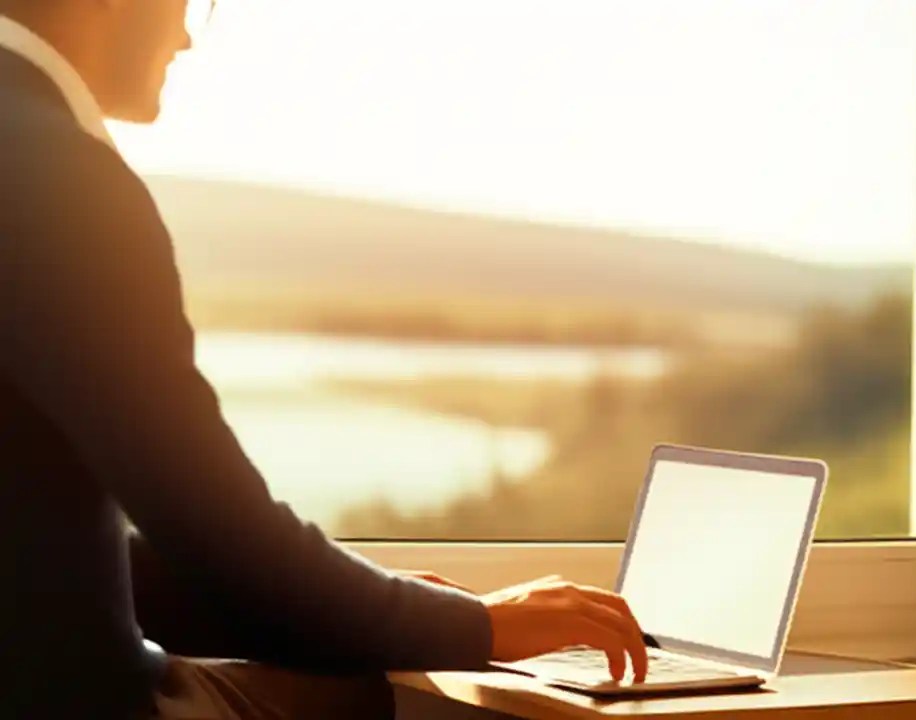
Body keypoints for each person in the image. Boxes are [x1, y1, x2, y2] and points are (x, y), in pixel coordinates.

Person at [0, 1, 649, 717]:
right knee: (354, 696)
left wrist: (378, 603)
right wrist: (477, 626)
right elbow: (217, 534)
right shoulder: (63, 182)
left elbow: (80, 565)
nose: (185, 34)